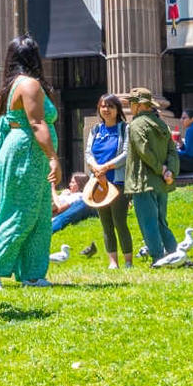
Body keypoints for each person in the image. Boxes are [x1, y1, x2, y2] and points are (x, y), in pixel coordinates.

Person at [0, 36, 58, 291]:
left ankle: (32, 274)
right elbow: (36, 123)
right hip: (28, 152)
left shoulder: (11, 85)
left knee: (40, 214)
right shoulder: (30, 84)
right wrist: (53, 157)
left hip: (28, 153)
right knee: (21, 211)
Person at [49, 95, 132, 268]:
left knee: (119, 222)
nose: (106, 110)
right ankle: (112, 262)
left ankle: (128, 261)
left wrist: (107, 167)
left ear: (117, 109)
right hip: (97, 183)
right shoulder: (96, 130)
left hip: (117, 182)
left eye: (110, 106)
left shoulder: (125, 129)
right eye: (103, 106)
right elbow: (88, 154)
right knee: (106, 223)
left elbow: (126, 153)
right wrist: (95, 167)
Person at [122, 89, 176, 264]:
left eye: (131, 103)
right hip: (162, 183)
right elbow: (173, 153)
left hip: (142, 182)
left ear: (138, 105)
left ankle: (158, 258)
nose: (130, 107)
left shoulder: (136, 125)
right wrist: (170, 172)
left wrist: (161, 169)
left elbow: (144, 151)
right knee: (161, 221)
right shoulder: (162, 124)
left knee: (148, 223)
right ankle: (174, 254)